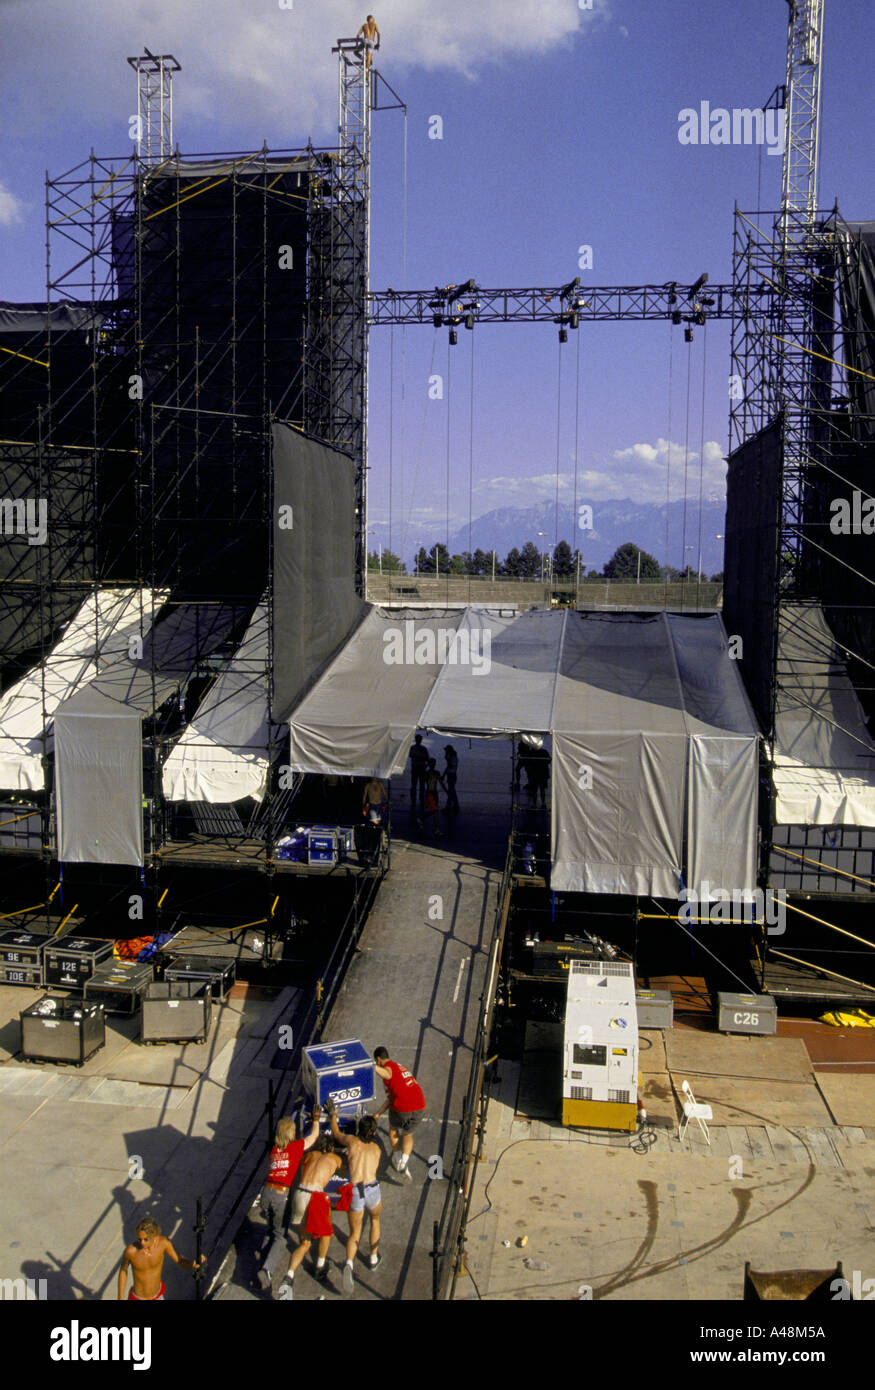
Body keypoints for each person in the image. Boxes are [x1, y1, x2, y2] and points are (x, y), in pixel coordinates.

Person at [256, 1106, 321, 1292]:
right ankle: (266, 1269)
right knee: (281, 1237)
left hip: (266, 1193)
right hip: (280, 1196)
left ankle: (264, 1259)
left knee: (271, 1230)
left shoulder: (274, 1150)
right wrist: (316, 1120)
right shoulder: (295, 1147)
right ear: (291, 1133)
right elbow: (312, 1138)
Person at [326, 1101, 383, 1293]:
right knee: (375, 1221)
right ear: (373, 1134)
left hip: (356, 1190)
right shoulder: (377, 1150)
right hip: (373, 1189)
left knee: (354, 1232)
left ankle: (349, 1263)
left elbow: (336, 1134)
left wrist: (333, 1115)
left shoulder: (352, 1142)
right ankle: (373, 1257)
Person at [281, 1135, 344, 1298]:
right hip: (315, 1196)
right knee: (326, 1233)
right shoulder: (334, 1158)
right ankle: (320, 1267)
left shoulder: (309, 1155)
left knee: (305, 1243)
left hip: (299, 1194)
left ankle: (288, 1277)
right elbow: (342, 1169)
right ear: (330, 1148)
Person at [117, 1218, 204, 1301]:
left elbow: (180, 1261)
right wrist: (120, 1298)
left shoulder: (164, 1244)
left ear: (154, 1235)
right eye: (139, 1239)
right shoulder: (131, 1251)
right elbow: (123, 1270)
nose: (142, 1243)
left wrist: (192, 1264)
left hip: (157, 1296)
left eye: (145, 1239)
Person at [373, 1047, 426, 1180]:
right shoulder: (399, 1066)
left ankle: (397, 1157)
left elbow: (387, 1074)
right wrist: (378, 1114)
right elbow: (390, 1099)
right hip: (420, 1104)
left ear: (379, 1060)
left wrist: (371, 1067)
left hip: (403, 1106)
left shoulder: (389, 1068)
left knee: (393, 1130)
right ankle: (405, 1159)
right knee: (408, 1134)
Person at [422, 758, 445, 837]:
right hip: (431, 793)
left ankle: (421, 818)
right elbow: (441, 783)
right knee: (435, 811)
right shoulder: (432, 773)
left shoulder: (431, 773)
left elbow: (441, 782)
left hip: (432, 793)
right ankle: (436, 829)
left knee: (434, 811)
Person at [408, 733, 429, 815]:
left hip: (420, 768)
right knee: (416, 785)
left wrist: (418, 758)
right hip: (417, 768)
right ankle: (415, 800)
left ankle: (419, 800)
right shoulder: (418, 748)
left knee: (419, 785)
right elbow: (425, 758)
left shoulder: (419, 748)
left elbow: (426, 758)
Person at [443, 744, 459, 813]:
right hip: (451, 775)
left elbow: (450, 766)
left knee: (451, 792)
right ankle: (454, 805)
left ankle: (450, 806)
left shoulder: (453, 758)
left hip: (452, 775)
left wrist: (447, 759)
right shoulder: (452, 757)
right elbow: (448, 767)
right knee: (451, 792)